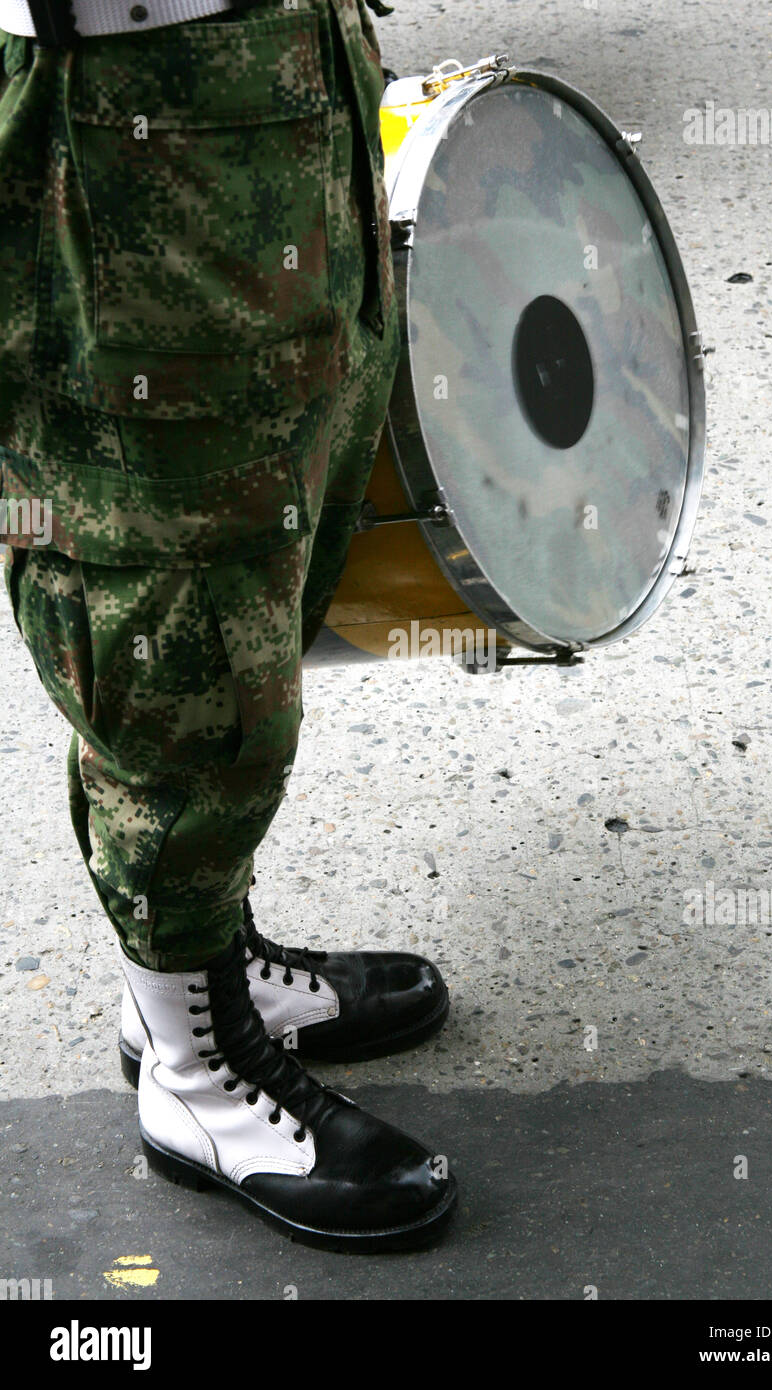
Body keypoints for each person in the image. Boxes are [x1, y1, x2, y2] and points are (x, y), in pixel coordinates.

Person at [0, 0, 457, 1252]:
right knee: (176, 619)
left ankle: (206, 971)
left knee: (271, 556)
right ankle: (195, 1077)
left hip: (268, 91)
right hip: (114, 122)